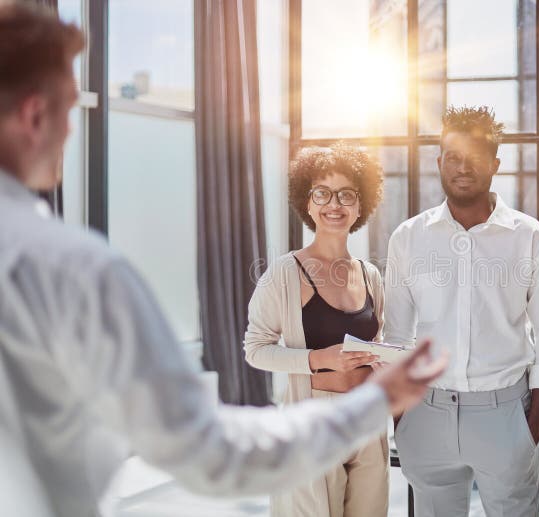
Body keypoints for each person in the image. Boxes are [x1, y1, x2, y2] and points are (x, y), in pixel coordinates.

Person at [0, 5, 447, 517]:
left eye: (346, 196)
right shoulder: (75, 273)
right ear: (35, 116)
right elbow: (209, 450)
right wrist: (372, 398)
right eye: (68, 112)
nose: (70, 132)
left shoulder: (369, 274)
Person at [384, 105, 539, 517]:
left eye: (476, 158)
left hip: (505, 414)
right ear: (439, 162)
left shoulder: (529, 238)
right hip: (425, 414)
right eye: (453, 157)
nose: (463, 168)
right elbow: (395, 337)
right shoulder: (408, 238)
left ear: (495, 164)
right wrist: (403, 421)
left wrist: (531, 428)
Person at [244, 144, 390, 517]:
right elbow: (256, 349)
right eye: (322, 193)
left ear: (360, 206)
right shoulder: (284, 272)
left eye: (346, 194)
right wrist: (319, 359)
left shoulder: (370, 275)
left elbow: (376, 344)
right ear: (307, 203)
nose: (334, 204)